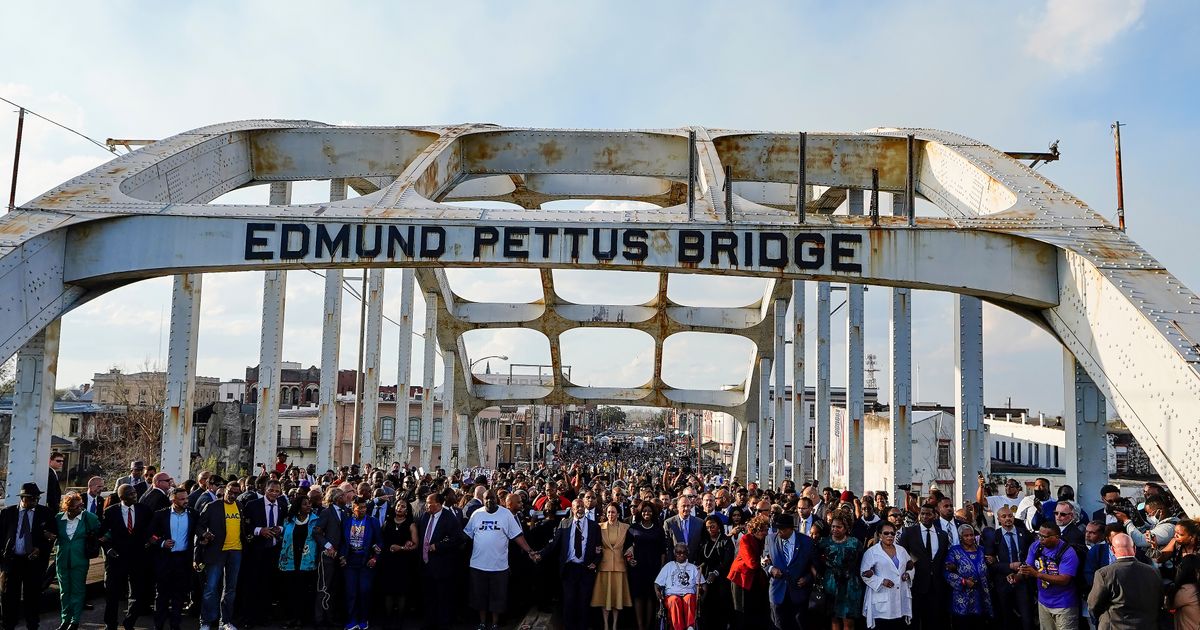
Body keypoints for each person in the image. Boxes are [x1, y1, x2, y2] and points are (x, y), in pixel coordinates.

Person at [464, 489, 535, 630]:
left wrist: (530, 551)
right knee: (480, 597)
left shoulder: (505, 514)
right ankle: (483, 623)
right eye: (486, 499)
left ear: (497, 499)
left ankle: (495, 623)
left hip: (499, 566)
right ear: (482, 500)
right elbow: (467, 535)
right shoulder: (476, 514)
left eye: (492, 498)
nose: (489, 501)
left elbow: (517, 536)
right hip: (478, 565)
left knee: (497, 597)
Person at [535, 497, 602, 630]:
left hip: (586, 569)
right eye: (577, 507)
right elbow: (554, 544)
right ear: (572, 509)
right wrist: (540, 554)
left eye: (582, 506)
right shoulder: (564, 523)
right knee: (569, 602)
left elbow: (599, 548)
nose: (580, 509)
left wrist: (595, 562)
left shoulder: (594, 526)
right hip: (569, 569)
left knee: (584, 602)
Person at [0, 482, 56, 630]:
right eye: (31, 499)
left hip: (33, 563)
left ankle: (32, 625)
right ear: (23, 498)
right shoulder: (8, 513)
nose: (34, 501)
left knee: (33, 597)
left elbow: (51, 537)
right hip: (12, 562)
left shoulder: (46, 513)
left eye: (36, 498)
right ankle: (8, 625)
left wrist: (41, 548)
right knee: (9, 597)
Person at [101, 482, 153, 630]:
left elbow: (154, 529)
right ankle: (110, 624)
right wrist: (108, 548)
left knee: (136, 593)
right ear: (122, 497)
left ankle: (129, 622)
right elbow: (102, 535)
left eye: (135, 493)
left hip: (138, 558)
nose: (135, 495)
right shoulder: (110, 512)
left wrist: (150, 542)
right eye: (130, 494)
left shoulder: (144, 510)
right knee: (112, 594)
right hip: (116, 559)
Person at [196, 479, 244, 630]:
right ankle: (206, 621)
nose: (233, 496)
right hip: (216, 551)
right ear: (225, 490)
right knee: (210, 587)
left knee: (230, 588)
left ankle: (226, 621)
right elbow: (199, 526)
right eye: (231, 492)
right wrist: (205, 534)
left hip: (235, 551)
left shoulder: (240, 506)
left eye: (236, 493)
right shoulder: (212, 506)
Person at [1086, 534, 1160, 630]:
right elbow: (1159, 600)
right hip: (1146, 625)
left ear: (1112, 550)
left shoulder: (1104, 574)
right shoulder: (1153, 572)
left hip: (1114, 625)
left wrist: (1100, 619)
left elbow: (1093, 604)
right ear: (1134, 548)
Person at [1015, 522, 1081, 630]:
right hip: (1043, 602)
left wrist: (1037, 574)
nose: (1040, 539)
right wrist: (1017, 576)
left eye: (1044, 537)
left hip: (1064, 604)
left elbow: (1064, 580)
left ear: (1056, 537)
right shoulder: (1036, 546)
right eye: (1039, 535)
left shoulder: (1068, 553)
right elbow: (1028, 567)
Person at [417, 492, 466, 630]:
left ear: (438, 504)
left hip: (442, 565)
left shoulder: (449, 518)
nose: (426, 505)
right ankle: (429, 621)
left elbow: (458, 538)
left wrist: (438, 546)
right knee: (428, 595)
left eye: (429, 502)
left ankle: (443, 623)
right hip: (426, 564)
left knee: (443, 596)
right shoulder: (426, 516)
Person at [149, 487, 197, 630]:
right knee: (162, 594)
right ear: (173, 500)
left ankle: (175, 625)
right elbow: (150, 535)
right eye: (182, 499)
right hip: (165, 559)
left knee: (179, 595)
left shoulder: (193, 514)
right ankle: (159, 625)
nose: (186, 501)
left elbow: (199, 530)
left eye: (186, 498)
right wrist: (161, 542)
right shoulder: (160, 515)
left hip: (183, 559)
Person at [983, 505, 1036, 630]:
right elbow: (990, 563)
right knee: (1006, 617)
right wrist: (1009, 566)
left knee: (1026, 616)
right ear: (999, 519)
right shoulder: (994, 536)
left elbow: (1032, 555)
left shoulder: (1024, 533)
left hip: (1023, 578)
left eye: (1010, 516)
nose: (1008, 518)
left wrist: (1022, 568)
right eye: (1004, 516)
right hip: (1003, 581)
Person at [898, 503, 950, 630]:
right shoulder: (909, 532)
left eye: (928, 514)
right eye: (922, 513)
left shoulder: (942, 535)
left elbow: (943, 557)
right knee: (914, 620)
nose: (925, 516)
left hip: (936, 585)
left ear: (934, 515)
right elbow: (902, 555)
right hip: (915, 584)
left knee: (933, 620)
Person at [764, 512, 817, 630]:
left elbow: (814, 565)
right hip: (777, 592)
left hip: (798, 593)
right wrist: (771, 569)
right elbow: (764, 561)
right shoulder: (770, 539)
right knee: (778, 626)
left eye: (782, 529)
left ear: (790, 529)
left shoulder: (806, 542)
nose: (779, 532)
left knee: (798, 625)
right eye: (777, 529)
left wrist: (807, 578)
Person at [55, 491, 98, 630]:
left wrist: (100, 540)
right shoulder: (59, 518)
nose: (81, 508)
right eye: (78, 506)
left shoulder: (88, 517)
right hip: (62, 560)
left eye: (82, 505)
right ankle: (65, 619)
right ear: (69, 508)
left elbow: (103, 530)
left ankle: (75, 621)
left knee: (78, 590)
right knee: (64, 591)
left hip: (80, 559)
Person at [860, 521, 915, 630]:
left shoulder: (902, 550)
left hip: (900, 597)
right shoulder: (871, 552)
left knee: (899, 625)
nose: (890, 536)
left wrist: (908, 575)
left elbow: (911, 566)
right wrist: (881, 581)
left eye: (892, 533)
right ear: (880, 535)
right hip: (882, 598)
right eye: (886, 533)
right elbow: (864, 573)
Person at [338, 496, 381, 630]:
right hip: (350, 561)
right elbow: (342, 542)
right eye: (359, 507)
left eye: (364, 507)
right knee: (351, 592)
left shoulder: (373, 521)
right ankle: (352, 619)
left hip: (366, 561)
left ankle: (364, 619)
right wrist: (342, 556)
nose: (363, 510)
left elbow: (380, 541)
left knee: (364, 591)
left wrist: (375, 558)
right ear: (353, 508)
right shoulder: (346, 521)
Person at [277, 494, 319, 629]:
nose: (309, 506)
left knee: (304, 590)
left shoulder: (315, 520)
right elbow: (282, 536)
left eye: (309, 503)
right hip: (290, 558)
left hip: (307, 559)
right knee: (290, 590)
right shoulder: (288, 520)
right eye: (305, 504)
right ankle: (290, 617)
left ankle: (302, 618)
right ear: (298, 507)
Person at [819, 510, 864, 630]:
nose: (834, 529)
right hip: (831, 584)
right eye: (833, 526)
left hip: (850, 585)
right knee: (834, 619)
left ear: (846, 528)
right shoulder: (824, 542)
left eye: (838, 527)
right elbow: (814, 561)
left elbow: (862, 563)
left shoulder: (855, 543)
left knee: (848, 621)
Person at [377, 497, 417, 630]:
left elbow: (415, 544)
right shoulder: (387, 522)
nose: (400, 508)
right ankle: (387, 620)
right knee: (388, 591)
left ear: (407, 510)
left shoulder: (411, 524)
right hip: (388, 562)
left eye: (403, 506)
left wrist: (402, 548)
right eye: (398, 505)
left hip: (403, 563)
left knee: (401, 592)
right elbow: (380, 539)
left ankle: (400, 621)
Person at [591, 503, 633, 630]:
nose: (610, 514)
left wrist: (630, 551)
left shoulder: (626, 527)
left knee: (616, 599)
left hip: (620, 567)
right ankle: (605, 625)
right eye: (608, 512)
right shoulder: (599, 527)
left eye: (613, 512)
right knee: (605, 599)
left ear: (618, 514)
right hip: (604, 567)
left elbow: (630, 545)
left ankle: (614, 625)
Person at [728, 514, 771, 630]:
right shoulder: (746, 539)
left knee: (752, 611)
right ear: (757, 529)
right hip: (741, 579)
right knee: (741, 611)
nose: (767, 533)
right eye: (764, 530)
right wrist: (764, 561)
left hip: (754, 580)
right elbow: (751, 562)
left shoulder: (762, 540)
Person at [628, 502, 667, 630]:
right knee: (639, 597)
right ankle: (640, 626)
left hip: (654, 568)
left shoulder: (658, 528)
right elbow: (627, 548)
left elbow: (663, 551)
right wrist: (630, 560)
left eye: (649, 511)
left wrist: (661, 569)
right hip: (638, 568)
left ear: (653, 513)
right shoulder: (633, 528)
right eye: (644, 511)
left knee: (651, 597)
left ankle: (649, 626)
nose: (647, 513)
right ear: (640, 512)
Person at [945, 523, 992, 624]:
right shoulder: (954, 551)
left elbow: (989, 567)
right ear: (961, 537)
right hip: (963, 595)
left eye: (972, 535)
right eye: (966, 536)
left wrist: (992, 561)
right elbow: (947, 572)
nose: (970, 538)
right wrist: (963, 581)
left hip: (981, 594)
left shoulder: (981, 550)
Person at [654, 543, 706, 630]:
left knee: (689, 598)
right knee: (674, 600)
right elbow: (657, 583)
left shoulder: (693, 567)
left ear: (687, 553)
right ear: (674, 553)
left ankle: (690, 627)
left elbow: (704, 585)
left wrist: (701, 598)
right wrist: (657, 592)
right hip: (672, 595)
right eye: (678, 552)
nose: (681, 554)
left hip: (689, 594)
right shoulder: (668, 566)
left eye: (684, 552)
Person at [697, 514, 734, 630]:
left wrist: (716, 572)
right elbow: (701, 559)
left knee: (721, 607)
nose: (710, 530)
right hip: (706, 579)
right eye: (707, 527)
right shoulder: (704, 541)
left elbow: (727, 561)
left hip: (722, 579)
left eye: (712, 526)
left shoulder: (726, 541)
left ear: (718, 526)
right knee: (707, 609)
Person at [665, 496, 705, 562]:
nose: (686, 508)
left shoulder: (699, 522)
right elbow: (668, 547)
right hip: (676, 563)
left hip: (694, 562)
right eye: (683, 506)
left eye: (688, 506)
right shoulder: (669, 523)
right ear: (677, 507)